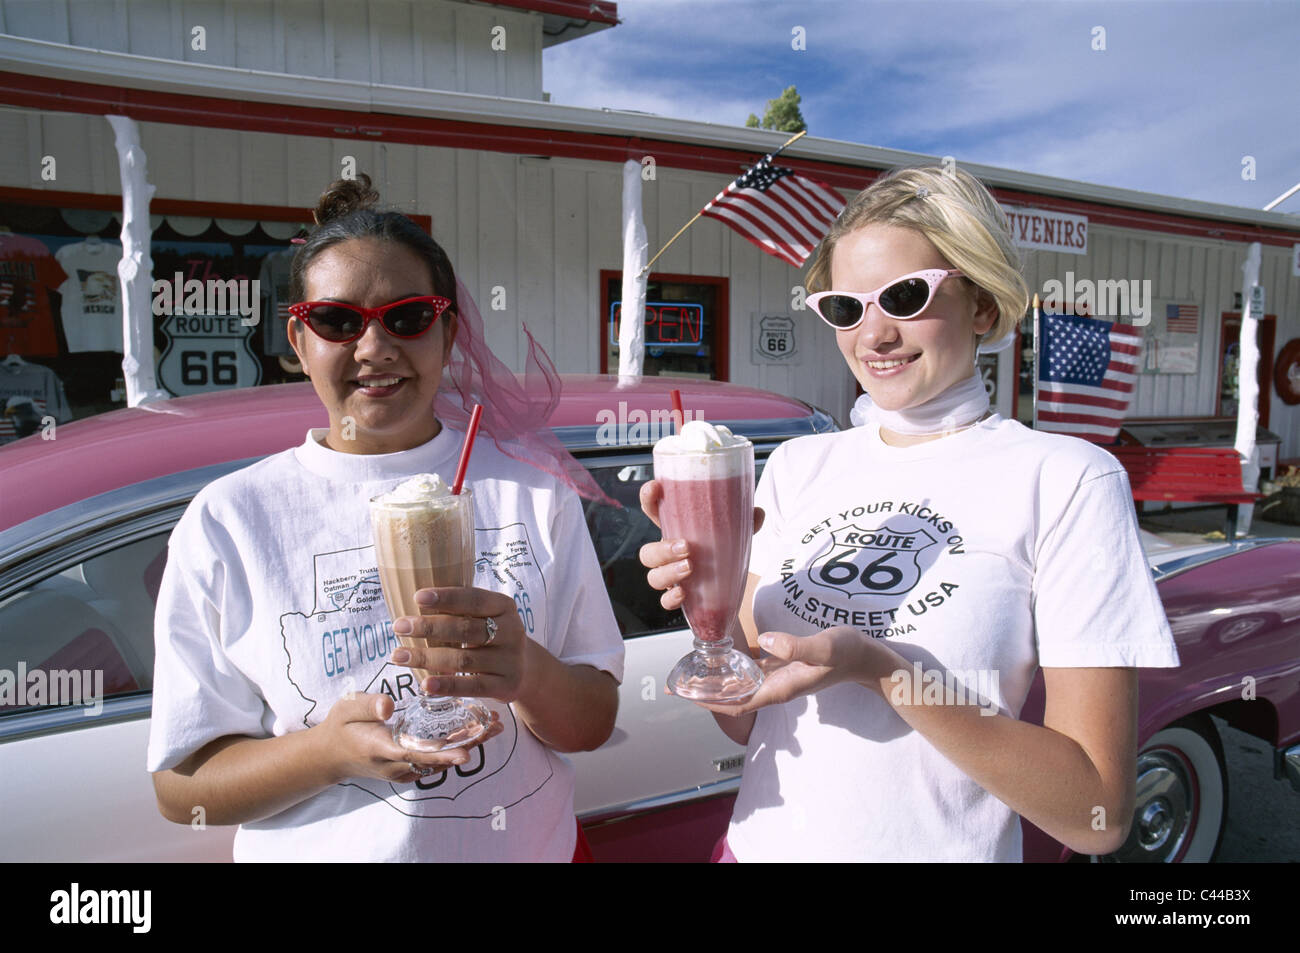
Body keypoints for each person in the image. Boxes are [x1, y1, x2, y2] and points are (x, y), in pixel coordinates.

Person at [640, 165, 1179, 862]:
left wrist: (885, 671)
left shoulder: (1068, 478)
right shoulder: (801, 465)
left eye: (903, 296)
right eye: (846, 307)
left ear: (982, 306)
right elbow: (744, 722)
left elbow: (1096, 815)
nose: (875, 334)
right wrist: (703, 605)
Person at [147, 175, 623, 862]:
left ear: (449, 329)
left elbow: (593, 719)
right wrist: (327, 753)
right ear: (298, 339)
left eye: (407, 317)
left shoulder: (533, 494)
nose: (374, 348)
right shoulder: (230, 520)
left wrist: (528, 672)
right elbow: (181, 787)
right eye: (338, 321)